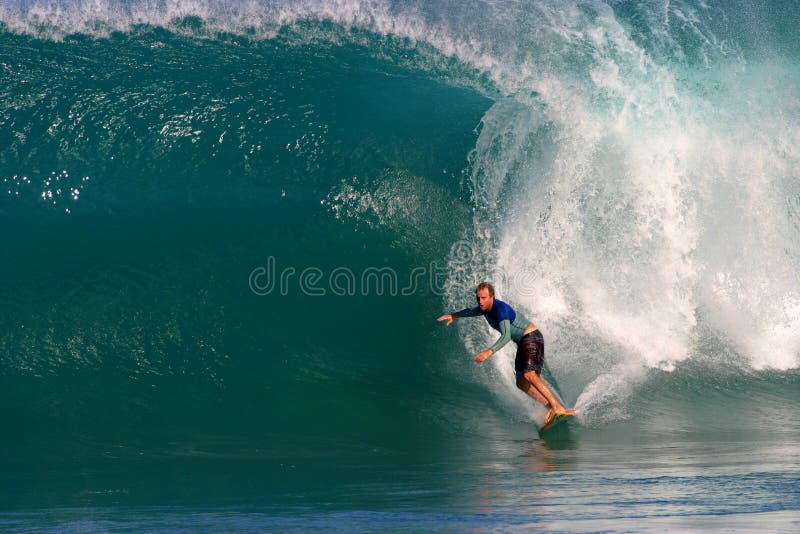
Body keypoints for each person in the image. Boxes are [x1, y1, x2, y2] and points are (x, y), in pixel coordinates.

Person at [437, 281, 576, 429]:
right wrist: (455, 315)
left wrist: (488, 351)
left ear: (492, 297)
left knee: (529, 375)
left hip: (531, 337)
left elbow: (506, 336)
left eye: (484, 298)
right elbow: (471, 311)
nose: (480, 301)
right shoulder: (485, 308)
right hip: (523, 342)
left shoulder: (500, 310)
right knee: (521, 383)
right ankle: (550, 407)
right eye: (478, 298)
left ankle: (558, 407)